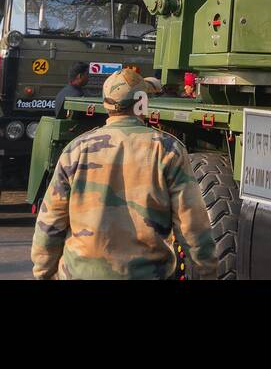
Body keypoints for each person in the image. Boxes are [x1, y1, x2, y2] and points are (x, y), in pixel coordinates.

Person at [31, 67, 215, 279]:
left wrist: (43, 273)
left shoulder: (75, 150)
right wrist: (206, 271)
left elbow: (50, 222)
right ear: (141, 102)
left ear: (106, 104)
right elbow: (192, 224)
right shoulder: (167, 150)